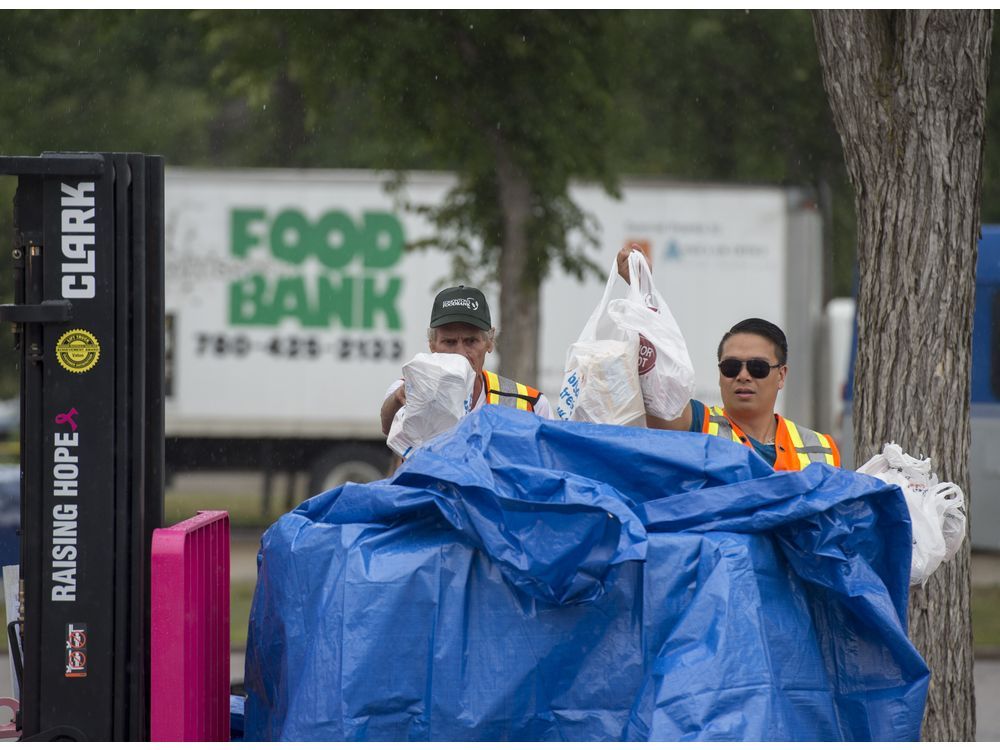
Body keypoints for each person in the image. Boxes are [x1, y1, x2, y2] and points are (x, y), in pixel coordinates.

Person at [617, 245, 840, 470]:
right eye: (731, 367)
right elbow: (659, 403)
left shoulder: (821, 449)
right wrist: (643, 288)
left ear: (781, 375)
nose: (743, 376)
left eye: (757, 367)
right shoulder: (698, 424)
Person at [380, 284, 552, 439]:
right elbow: (387, 428)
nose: (460, 353)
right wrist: (398, 398)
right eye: (449, 342)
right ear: (432, 345)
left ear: (489, 342)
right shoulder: (408, 390)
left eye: (471, 341)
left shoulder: (532, 403)